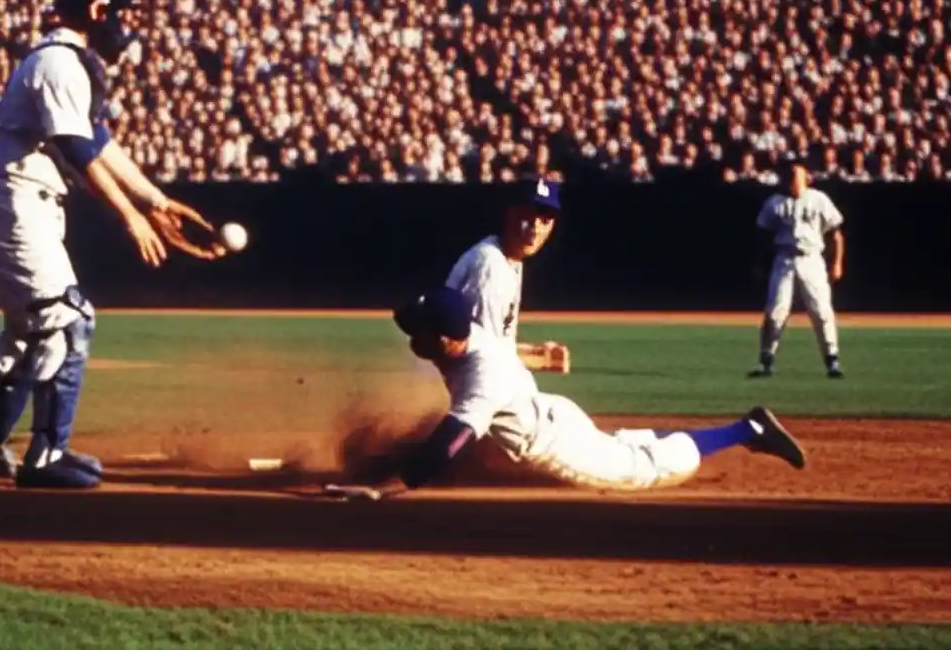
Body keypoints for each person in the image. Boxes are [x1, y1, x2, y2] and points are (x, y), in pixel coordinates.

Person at [0, 0, 218, 489]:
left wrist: (156, 201)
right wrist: (130, 217)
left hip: (20, 203)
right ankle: (47, 454)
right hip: (16, 201)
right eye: (125, 12)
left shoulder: (67, 62)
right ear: (99, 11)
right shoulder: (58, 62)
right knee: (71, 320)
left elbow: (98, 142)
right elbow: (74, 149)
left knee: (29, 331)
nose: (129, 24)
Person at [325, 288, 806, 501]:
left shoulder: (480, 374)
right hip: (552, 411)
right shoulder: (468, 340)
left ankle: (750, 428)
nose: (412, 340)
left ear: (449, 337)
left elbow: (446, 446)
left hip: (558, 446)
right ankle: (737, 429)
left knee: (645, 469)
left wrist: (383, 488)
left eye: (420, 332)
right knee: (626, 443)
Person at [445, 179, 570, 374]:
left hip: (472, 379)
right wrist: (542, 362)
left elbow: (493, 344)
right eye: (527, 217)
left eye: (545, 220)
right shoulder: (490, 266)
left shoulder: (508, 260)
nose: (535, 228)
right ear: (510, 215)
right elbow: (483, 358)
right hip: (468, 387)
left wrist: (533, 351)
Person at [749, 157, 846, 379]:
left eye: (797, 172)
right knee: (775, 312)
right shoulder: (774, 202)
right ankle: (766, 360)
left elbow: (836, 235)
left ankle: (832, 360)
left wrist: (837, 263)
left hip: (812, 258)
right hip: (784, 259)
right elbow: (761, 235)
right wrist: (758, 263)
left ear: (807, 176)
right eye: (788, 173)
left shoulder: (819, 199)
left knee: (821, 311)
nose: (792, 177)